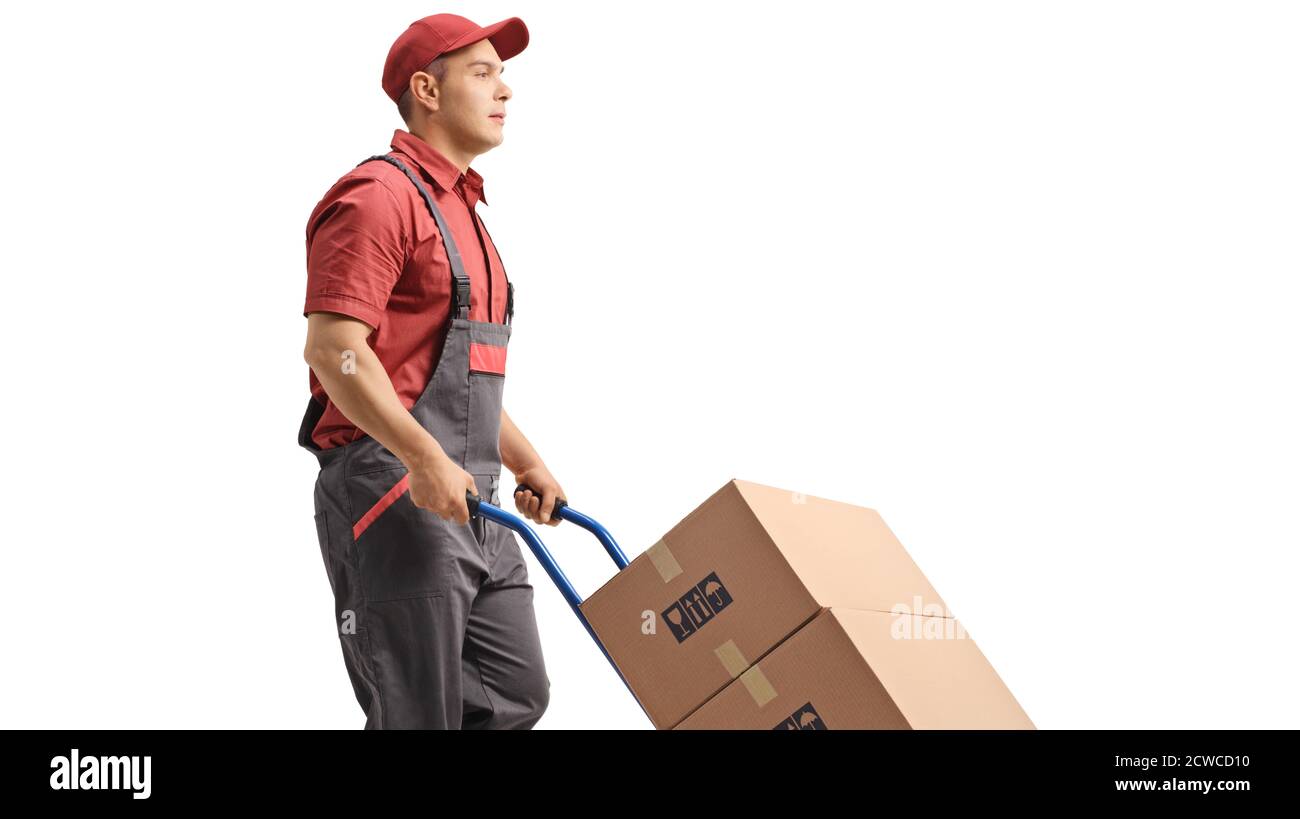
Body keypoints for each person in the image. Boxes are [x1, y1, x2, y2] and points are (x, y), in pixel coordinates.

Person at [297, 13, 563, 729]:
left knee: (515, 690)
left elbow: (451, 373)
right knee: (418, 710)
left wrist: (527, 460)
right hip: (395, 486)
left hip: (474, 491)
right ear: (427, 90)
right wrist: (422, 456)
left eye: (502, 74)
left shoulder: (465, 212)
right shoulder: (379, 198)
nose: (504, 89)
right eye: (482, 73)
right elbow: (335, 350)